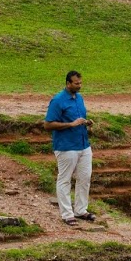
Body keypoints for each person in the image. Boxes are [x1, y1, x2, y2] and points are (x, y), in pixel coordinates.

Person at [44, 70, 95, 225]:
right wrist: (70, 124)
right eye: (76, 83)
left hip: (83, 144)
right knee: (64, 179)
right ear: (68, 83)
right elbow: (47, 124)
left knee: (84, 178)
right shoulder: (58, 100)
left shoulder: (79, 98)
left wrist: (86, 123)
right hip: (66, 146)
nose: (79, 86)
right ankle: (67, 214)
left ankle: (80, 210)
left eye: (80, 83)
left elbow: (79, 119)